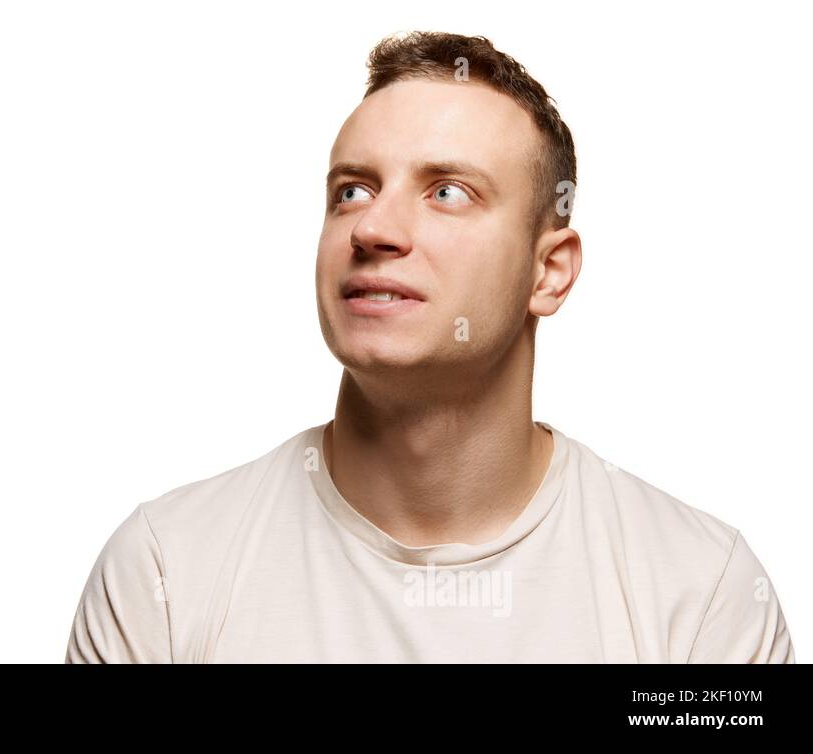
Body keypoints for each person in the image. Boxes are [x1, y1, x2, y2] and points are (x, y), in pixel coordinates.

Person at [64, 31, 794, 663]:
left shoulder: (701, 595)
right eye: (351, 190)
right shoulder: (164, 573)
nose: (373, 229)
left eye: (447, 192)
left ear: (549, 271)